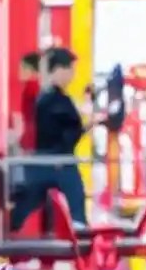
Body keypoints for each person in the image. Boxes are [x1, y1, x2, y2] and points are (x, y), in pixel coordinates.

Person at [9, 46, 94, 231]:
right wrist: (86, 126)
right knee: (75, 192)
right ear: (59, 70)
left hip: (37, 161)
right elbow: (69, 133)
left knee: (28, 203)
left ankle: (4, 228)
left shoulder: (40, 96)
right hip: (58, 162)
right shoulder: (58, 100)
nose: (72, 75)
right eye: (70, 70)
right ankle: (79, 225)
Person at [12, 51, 42, 153]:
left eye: (22, 68)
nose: (19, 72)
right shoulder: (36, 87)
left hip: (32, 141)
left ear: (31, 70)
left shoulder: (31, 87)